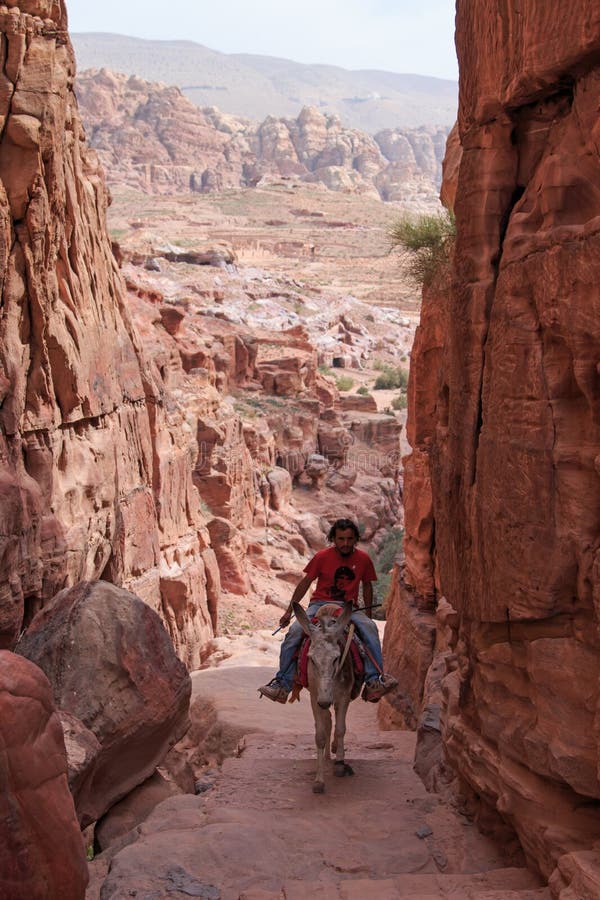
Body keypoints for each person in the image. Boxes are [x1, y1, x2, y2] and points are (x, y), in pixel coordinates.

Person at [259, 518, 398, 703]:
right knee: (294, 633)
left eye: (349, 538)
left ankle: (374, 681)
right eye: (341, 539)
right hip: (319, 605)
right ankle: (282, 685)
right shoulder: (322, 557)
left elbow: (367, 586)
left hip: (348, 607)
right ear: (333, 538)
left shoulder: (363, 559)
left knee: (370, 630)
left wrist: (367, 617)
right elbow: (306, 582)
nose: (345, 543)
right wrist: (288, 611)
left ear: (355, 539)